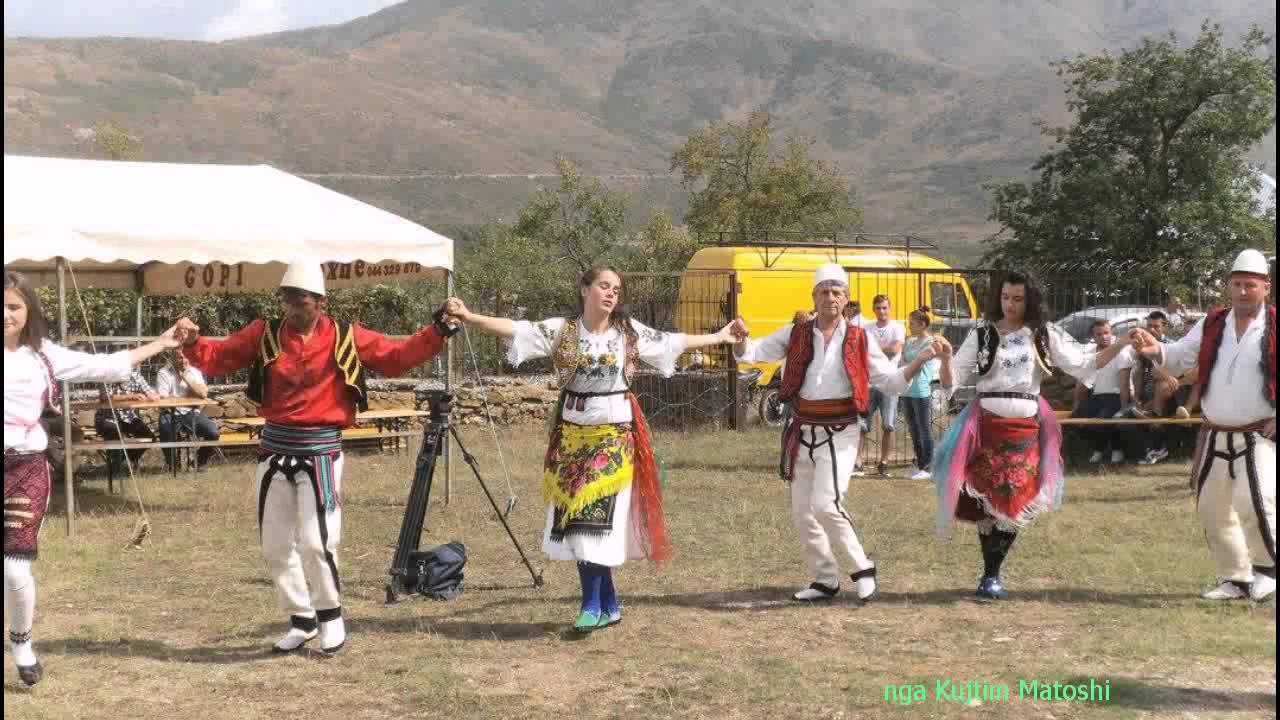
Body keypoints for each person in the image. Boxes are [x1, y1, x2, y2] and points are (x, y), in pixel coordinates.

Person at [173, 261, 456, 654]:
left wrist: (437, 330)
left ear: (320, 301)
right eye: (287, 299)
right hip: (274, 450)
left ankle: (330, 615)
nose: (293, 308)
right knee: (274, 544)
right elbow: (221, 356)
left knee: (317, 540)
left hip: (321, 451)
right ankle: (301, 618)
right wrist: (192, 343)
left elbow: (396, 355)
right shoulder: (265, 333)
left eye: (301, 300)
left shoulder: (345, 335)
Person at [444, 268, 740, 632]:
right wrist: (470, 317)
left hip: (613, 438)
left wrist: (720, 335)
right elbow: (516, 329)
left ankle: (590, 605)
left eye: (616, 289)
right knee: (581, 525)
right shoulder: (563, 330)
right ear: (585, 289)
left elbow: (672, 341)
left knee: (591, 525)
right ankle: (609, 606)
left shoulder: (629, 333)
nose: (611, 293)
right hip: (570, 438)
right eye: (604, 285)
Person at [4, 270, 182, 686]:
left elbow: (105, 366)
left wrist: (161, 343)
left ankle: (22, 644)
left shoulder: (45, 355)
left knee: (14, 571)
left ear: (29, 311)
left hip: (24, 468)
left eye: (13, 306)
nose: (5, 314)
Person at [731, 264, 939, 602]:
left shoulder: (860, 338)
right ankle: (825, 578)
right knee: (802, 512)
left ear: (846, 299)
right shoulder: (795, 332)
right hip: (801, 429)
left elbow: (889, 380)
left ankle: (863, 568)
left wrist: (919, 361)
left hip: (840, 430)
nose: (830, 297)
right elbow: (751, 354)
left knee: (827, 504)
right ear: (813, 296)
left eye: (836, 291)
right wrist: (740, 340)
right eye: (824, 291)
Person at [932, 270, 1133, 600]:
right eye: (1005, 297)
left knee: (1017, 496)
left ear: (1031, 300)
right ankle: (990, 574)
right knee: (985, 499)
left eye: (1018, 299)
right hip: (986, 425)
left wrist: (1122, 342)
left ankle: (993, 571)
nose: (1010, 305)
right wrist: (943, 359)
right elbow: (954, 376)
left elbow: (1082, 364)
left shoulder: (1042, 333)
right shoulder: (982, 332)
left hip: (1026, 427)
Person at [1131, 249, 1275, 602]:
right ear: (1229, 286)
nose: (1243, 292)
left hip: (1258, 433)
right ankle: (1234, 578)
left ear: (1266, 288)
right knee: (1212, 506)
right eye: (1237, 284)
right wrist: (1156, 350)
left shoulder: (1274, 326)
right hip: (1214, 432)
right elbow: (1180, 354)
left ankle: (1267, 572)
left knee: (1256, 501)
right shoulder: (1213, 322)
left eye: (1250, 286)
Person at [1071, 320, 1133, 465]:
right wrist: (1076, 404)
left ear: (1111, 333)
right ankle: (1100, 448)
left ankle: (1113, 450)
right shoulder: (1089, 353)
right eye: (1099, 334)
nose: (1103, 337)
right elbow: (1081, 381)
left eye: (1106, 333)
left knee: (1105, 418)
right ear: (1093, 336)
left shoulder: (1121, 352)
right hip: (1096, 397)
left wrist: (1124, 409)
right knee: (1077, 419)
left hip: (1116, 396)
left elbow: (1124, 384)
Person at [155, 349, 221, 471]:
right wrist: (191, 394)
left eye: (186, 357)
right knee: (166, 429)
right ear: (173, 358)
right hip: (170, 412)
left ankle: (198, 461)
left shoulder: (194, 372)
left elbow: (203, 393)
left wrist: (185, 377)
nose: (184, 361)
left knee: (213, 432)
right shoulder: (163, 373)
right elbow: (163, 399)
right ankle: (173, 465)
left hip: (191, 413)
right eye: (180, 358)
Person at [864, 295, 906, 476]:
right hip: (869, 382)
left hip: (889, 380)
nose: (882, 312)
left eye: (884, 308)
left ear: (890, 308)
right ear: (873, 309)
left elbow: (895, 350)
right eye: (878, 308)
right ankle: (857, 461)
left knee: (888, 424)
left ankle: (884, 462)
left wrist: (873, 349)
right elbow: (861, 351)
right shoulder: (866, 328)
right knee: (862, 424)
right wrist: (882, 349)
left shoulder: (898, 327)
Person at [93, 364, 159, 473]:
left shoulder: (135, 375)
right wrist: (131, 396)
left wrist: (153, 396)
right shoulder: (106, 375)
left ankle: (125, 460)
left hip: (128, 417)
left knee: (149, 436)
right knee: (113, 431)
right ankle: (116, 468)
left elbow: (151, 392)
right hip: (107, 417)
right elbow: (105, 397)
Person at [900, 306, 941, 480]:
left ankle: (929, 466)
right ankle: (920, 464)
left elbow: (919, 364)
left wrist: (912, 363)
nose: (909, 327)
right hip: (907, 389)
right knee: (913, 428)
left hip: (921, 390)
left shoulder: (931, 342)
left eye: (912, 324)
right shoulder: (910, 341)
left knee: (924, 429)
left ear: (923, 324)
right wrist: (912, 363)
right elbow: (903, 361)